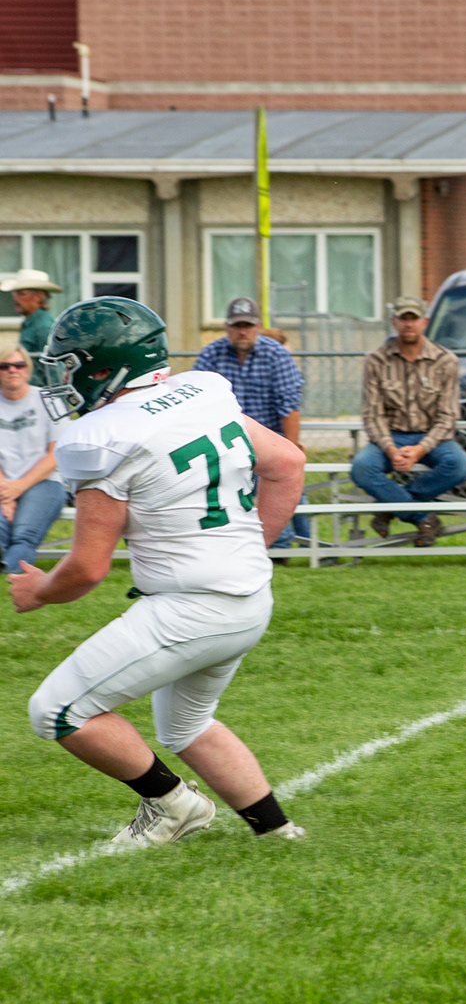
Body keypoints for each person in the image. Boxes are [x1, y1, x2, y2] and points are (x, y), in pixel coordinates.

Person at [10, 298, 307, 845]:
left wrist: (39, 592)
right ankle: (279, 833)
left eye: (71, 366)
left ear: (106, 367)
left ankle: (171, 803)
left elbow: (87, 568)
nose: (64, 380)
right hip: (248, 598)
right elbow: (287, 464)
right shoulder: (202, 393)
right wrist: (249, 546)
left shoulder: (99, 435)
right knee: (186, 725)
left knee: (56, 711)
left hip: (190, 606)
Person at [350, 295, 466, 548]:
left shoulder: (446, 360)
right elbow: (373, 414)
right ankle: (423, 518)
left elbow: (448, 417)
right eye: (403, 319)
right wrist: (391, 449)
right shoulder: (376, 360)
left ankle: (391, 507)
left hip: (432, 439)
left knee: (460, 465)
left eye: (413, 319)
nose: (408, 324)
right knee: (361, 467)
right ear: (394, 322)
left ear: (424, 322)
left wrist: (420, 449)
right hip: (390, 437)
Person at [194, 297, 310, 552]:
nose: (242, 331)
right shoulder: (211, 353)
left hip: (270, 436)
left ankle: (308, 546)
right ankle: (278, 546)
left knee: (288, 473)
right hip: (225, 440)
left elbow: (289, 404)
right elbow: (197, 401)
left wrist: (291, 446)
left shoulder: (275, 353)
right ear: (227, 327)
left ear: (258, 325)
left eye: (247, 325)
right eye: (237, 326)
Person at [0, 345, 62, 573]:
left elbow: (56, 454)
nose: (12, 370)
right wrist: (6, 493)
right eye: (4, 366)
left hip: (44, 482)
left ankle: (11, 571)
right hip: (3, 484)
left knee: (24, 534)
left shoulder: (48, 400)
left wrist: (18, 488)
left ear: (28, 369)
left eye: (18, 365)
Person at [3, 267, 63, 387]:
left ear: (38, 297)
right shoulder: (31, 322)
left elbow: (54, 369)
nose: (15, 298)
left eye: (21, 294)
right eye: (15, 294)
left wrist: (58, 400)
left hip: (39, 395)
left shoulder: (43, 326)